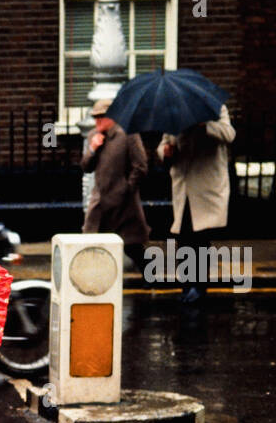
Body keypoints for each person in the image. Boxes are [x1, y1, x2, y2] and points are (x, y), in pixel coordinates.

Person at [157, 103, 236, 303]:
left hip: (205, 188)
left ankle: (199, 287)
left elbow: (229, 134)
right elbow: (164, 143)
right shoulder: (174, 115)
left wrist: (205, 125)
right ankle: (186, 284)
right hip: (183, 189)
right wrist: (164, 151)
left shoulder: (217, 110)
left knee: (200, 239)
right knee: (183, 239)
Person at [82, 99, 150, 277]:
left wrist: (127, 188)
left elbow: (140, 166)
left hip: (123, 201)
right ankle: (96, 278)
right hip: (100, 200)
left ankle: (150, 274)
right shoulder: (93, 137)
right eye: (95, 118)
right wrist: (92, 149)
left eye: (101, 117)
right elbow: (85, 166)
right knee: (92, 240)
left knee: (132, 245)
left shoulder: (128, 134)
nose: (97, 122)